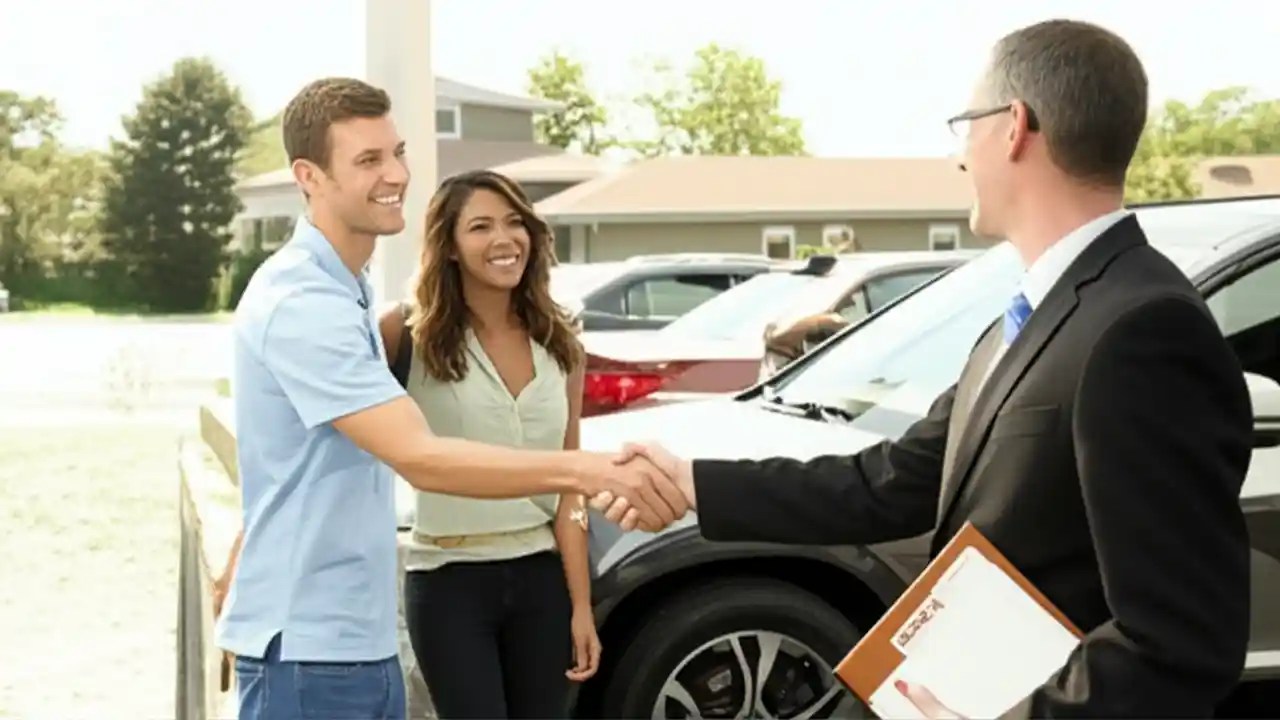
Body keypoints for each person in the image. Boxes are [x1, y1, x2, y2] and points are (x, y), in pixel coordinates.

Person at [603, 19, 1253, 719]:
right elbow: (891, 484)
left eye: (964, 125)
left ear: (1014, 126)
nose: (958, 158)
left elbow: (1180, 640)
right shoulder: (1034, 314)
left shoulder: (1144, 329)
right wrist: (693, 483)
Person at [214, 77, 687, 720]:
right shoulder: (304, 303)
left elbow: (294, 455)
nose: (397, 174)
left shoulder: (342, 290)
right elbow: (419, 456)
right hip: (309, 650)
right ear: (309, 176)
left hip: (355, 642)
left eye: (397, 152)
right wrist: (591, 469)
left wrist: (249, 543)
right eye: (368, 160)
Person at [377, 170, 599, 719]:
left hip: (541, 578)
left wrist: (580, 606)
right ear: (449, 247)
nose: (503, 239)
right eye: (480, 226)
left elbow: (572, 486)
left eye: (513, 222)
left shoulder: (563, 341)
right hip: (448, 582)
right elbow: (330, 440)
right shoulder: (404, 334)